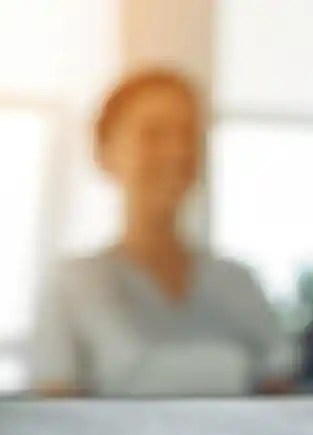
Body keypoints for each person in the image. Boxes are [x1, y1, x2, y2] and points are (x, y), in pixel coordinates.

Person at [30, 70, 297, 397]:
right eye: (153, 134)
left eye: (188, 134)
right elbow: (56, 420)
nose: (177, 151)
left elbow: (280, 398)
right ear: (105, 153)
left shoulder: (239, 281)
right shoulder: (73, 285)